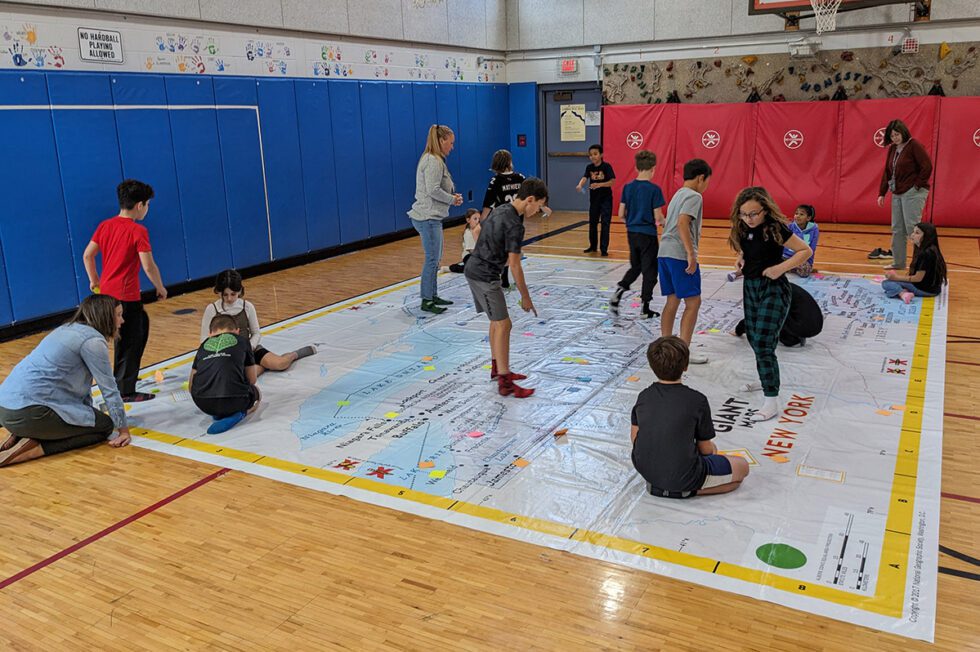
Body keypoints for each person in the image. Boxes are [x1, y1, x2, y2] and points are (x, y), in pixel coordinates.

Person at [0, 295, 131, 466]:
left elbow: (79, 388)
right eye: (118, 315)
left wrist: (87, 414)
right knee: (105, 426)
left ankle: (22, 433)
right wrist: (123, 430)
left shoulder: (66, 328)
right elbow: (109, 389)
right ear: (105, 317)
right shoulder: (93, 341)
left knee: (88, 418)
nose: (122, 321)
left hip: (5, 407)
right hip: (30, 413)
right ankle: (34, 449)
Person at [729, 187, 812, 422]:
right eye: (744, 214)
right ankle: (765, 378)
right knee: (755, 338)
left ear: (765, 209)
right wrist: (740, 260)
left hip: (774, 288)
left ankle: (771, 400)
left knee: (765, 342)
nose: (749, 219)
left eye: (753, 213)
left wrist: (780, 269)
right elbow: (745, 252)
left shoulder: (776, 228)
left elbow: (805, 251)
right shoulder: (743, 227)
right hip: (751, 287)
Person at [631, 336, 750, 498]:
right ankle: (684, 491)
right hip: (686, 474)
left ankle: (667, 487)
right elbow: (705, 449)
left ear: (652, 366)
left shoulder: (643, 396)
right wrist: (712, 451)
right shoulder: (697, 400)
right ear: (686, 366)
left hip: (646, 470)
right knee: (742, 468)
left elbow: (635, 438)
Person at [83, 179, 167, 402]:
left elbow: (87, 255)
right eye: (147, 204)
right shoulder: (138, 231)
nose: (147, 209)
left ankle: (123, 379)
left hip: (106, 296)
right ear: (140, 205)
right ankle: (126, 390)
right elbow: (148, 265)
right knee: (131, 340)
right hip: (126, 297)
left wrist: (94, 280)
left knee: (131, 334)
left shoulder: (105, 226)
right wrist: (160, 287)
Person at [465, 178, 549, 398]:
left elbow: (480, 229)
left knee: (497, 322)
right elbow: (515, 266)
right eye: (539, 206)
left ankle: (497, 368)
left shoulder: (502, 208)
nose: (538, 211)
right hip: (484, 275)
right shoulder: (515, 225)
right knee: (504, 324)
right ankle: (505, 382)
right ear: (529, 200)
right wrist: (526, 297)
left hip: (476, 269)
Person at [201, 270, 316, 376]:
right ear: (219, 292)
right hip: (224, 354)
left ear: (240, 291)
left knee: (280, 364)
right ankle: (262, 367)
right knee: (237, 376)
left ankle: (294, 354)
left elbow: (256, 333)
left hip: (249, 350)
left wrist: (249, 348)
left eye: (233, 294)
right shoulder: (212, 309)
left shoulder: (247, 306)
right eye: (225, 295)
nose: (230, 298)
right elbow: (204, 339)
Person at [658, 159, 712, 364]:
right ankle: (683, 352)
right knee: (693, 302)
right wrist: (691, 253)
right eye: (707, 182)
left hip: (664, 253)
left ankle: (664, 347)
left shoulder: (677, 194)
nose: (706, 186)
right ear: (701, 178)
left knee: (672, 300)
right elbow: (683, 222)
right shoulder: (694, 195)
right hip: (679, 254)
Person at [408, 124, 463, 315]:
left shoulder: (436, 159)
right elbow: (433, 189)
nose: (452, 147)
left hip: (433, 217)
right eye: (451, 143)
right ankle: (426, 299)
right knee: (432, 259)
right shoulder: (433, 161)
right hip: (428, 217)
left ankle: (432, 294)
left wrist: (452, 196)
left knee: (435, 259)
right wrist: (452, 199)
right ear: (441, 141)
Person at [481, 149, 551, 286]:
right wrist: (543, 207)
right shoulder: (520, 177)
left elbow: (488, 204)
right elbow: (533, 194)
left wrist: (482, 221)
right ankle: (504, 279)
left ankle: (501, 278)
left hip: (502, 220)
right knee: (510, 249)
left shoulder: (495, 181)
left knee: (503, 249)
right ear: (510, 163)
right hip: (517, 220)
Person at [610, 149, 665, 319]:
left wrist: (632, 223)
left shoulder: (628, 187)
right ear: (653, 169)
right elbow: (658, 216)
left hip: (632, 233)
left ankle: (619, 290)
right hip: (648, 234)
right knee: (650, 271)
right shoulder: (654, 189)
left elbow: (620, 213)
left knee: (636, 266)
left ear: (636, 167)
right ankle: (645, 308)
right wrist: (666, 223)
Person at [190, 314, 262, 435]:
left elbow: (190, 385)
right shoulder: (243, 341)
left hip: (202, 403)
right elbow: (252, 380)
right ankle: (239, 414)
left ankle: (219, 412)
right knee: (257, 392)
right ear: (237, 331)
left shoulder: (203, 345)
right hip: (233, 400)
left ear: (210, 333)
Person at [876, 119, 932, 271]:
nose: (894, 138)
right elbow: (887, 172)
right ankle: (899, 263)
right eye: (892, 136)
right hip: (897, 192)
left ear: (903, 132)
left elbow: (927, 166)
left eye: (897, 134)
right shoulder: (893, 149)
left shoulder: (914, 145)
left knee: (912, 229)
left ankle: (918, 264)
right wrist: (882, 193)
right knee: (897, 229)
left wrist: (917, 186)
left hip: (913, 192)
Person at [734, 283, 824, 348]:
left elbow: (757, 317)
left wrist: (739, 330)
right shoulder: (781, 285)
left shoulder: (772, 293)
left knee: (769, 318)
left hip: (806, 325)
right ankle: (796, 333)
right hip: (816, 323)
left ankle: (792, 338)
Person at [882, 222, 947, 303]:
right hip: (933, 288)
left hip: (926, 290)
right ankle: (902, 290)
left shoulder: (926, 253)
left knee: (886, 283)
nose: (912, 235)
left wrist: (896, 277)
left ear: (926, 236)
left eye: (917, 233)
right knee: (893, 283)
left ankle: (902, 293)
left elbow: (917, 278)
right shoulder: (928, 248)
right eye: (913, 232)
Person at [575, 144, 616, 256]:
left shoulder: (606, 167)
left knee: (605, 223)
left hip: (606, 200)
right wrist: (580, 185)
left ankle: (604, 249)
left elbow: (612, 181)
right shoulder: (589, 168)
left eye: (595, 154)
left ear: (601, 155)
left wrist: (599, 185)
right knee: (592, 223)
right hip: (594, 200)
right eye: (590, 155)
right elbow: (585, 178)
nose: (592, 156)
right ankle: (593, 246)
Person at [783, 204, 819, 277]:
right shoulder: (789, 227)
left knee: (805, 272)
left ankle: (790, 268)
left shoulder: (814, 230)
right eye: (796, 213)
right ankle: (790, 267)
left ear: (808, 218)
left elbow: (812, 249)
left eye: (801, 214)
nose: (798, 216)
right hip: (786, 257)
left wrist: (809, 263)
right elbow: (782, 244)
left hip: (801, 259)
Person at [444, 209, 481, 274]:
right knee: (473, 269)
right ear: (468, 220)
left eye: (478, 219)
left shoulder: (480, 229)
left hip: (479, 255)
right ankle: (451, 268)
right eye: (475, 219)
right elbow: (472, 251)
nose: (477, 221)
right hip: (470, 255)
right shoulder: (468, 233)